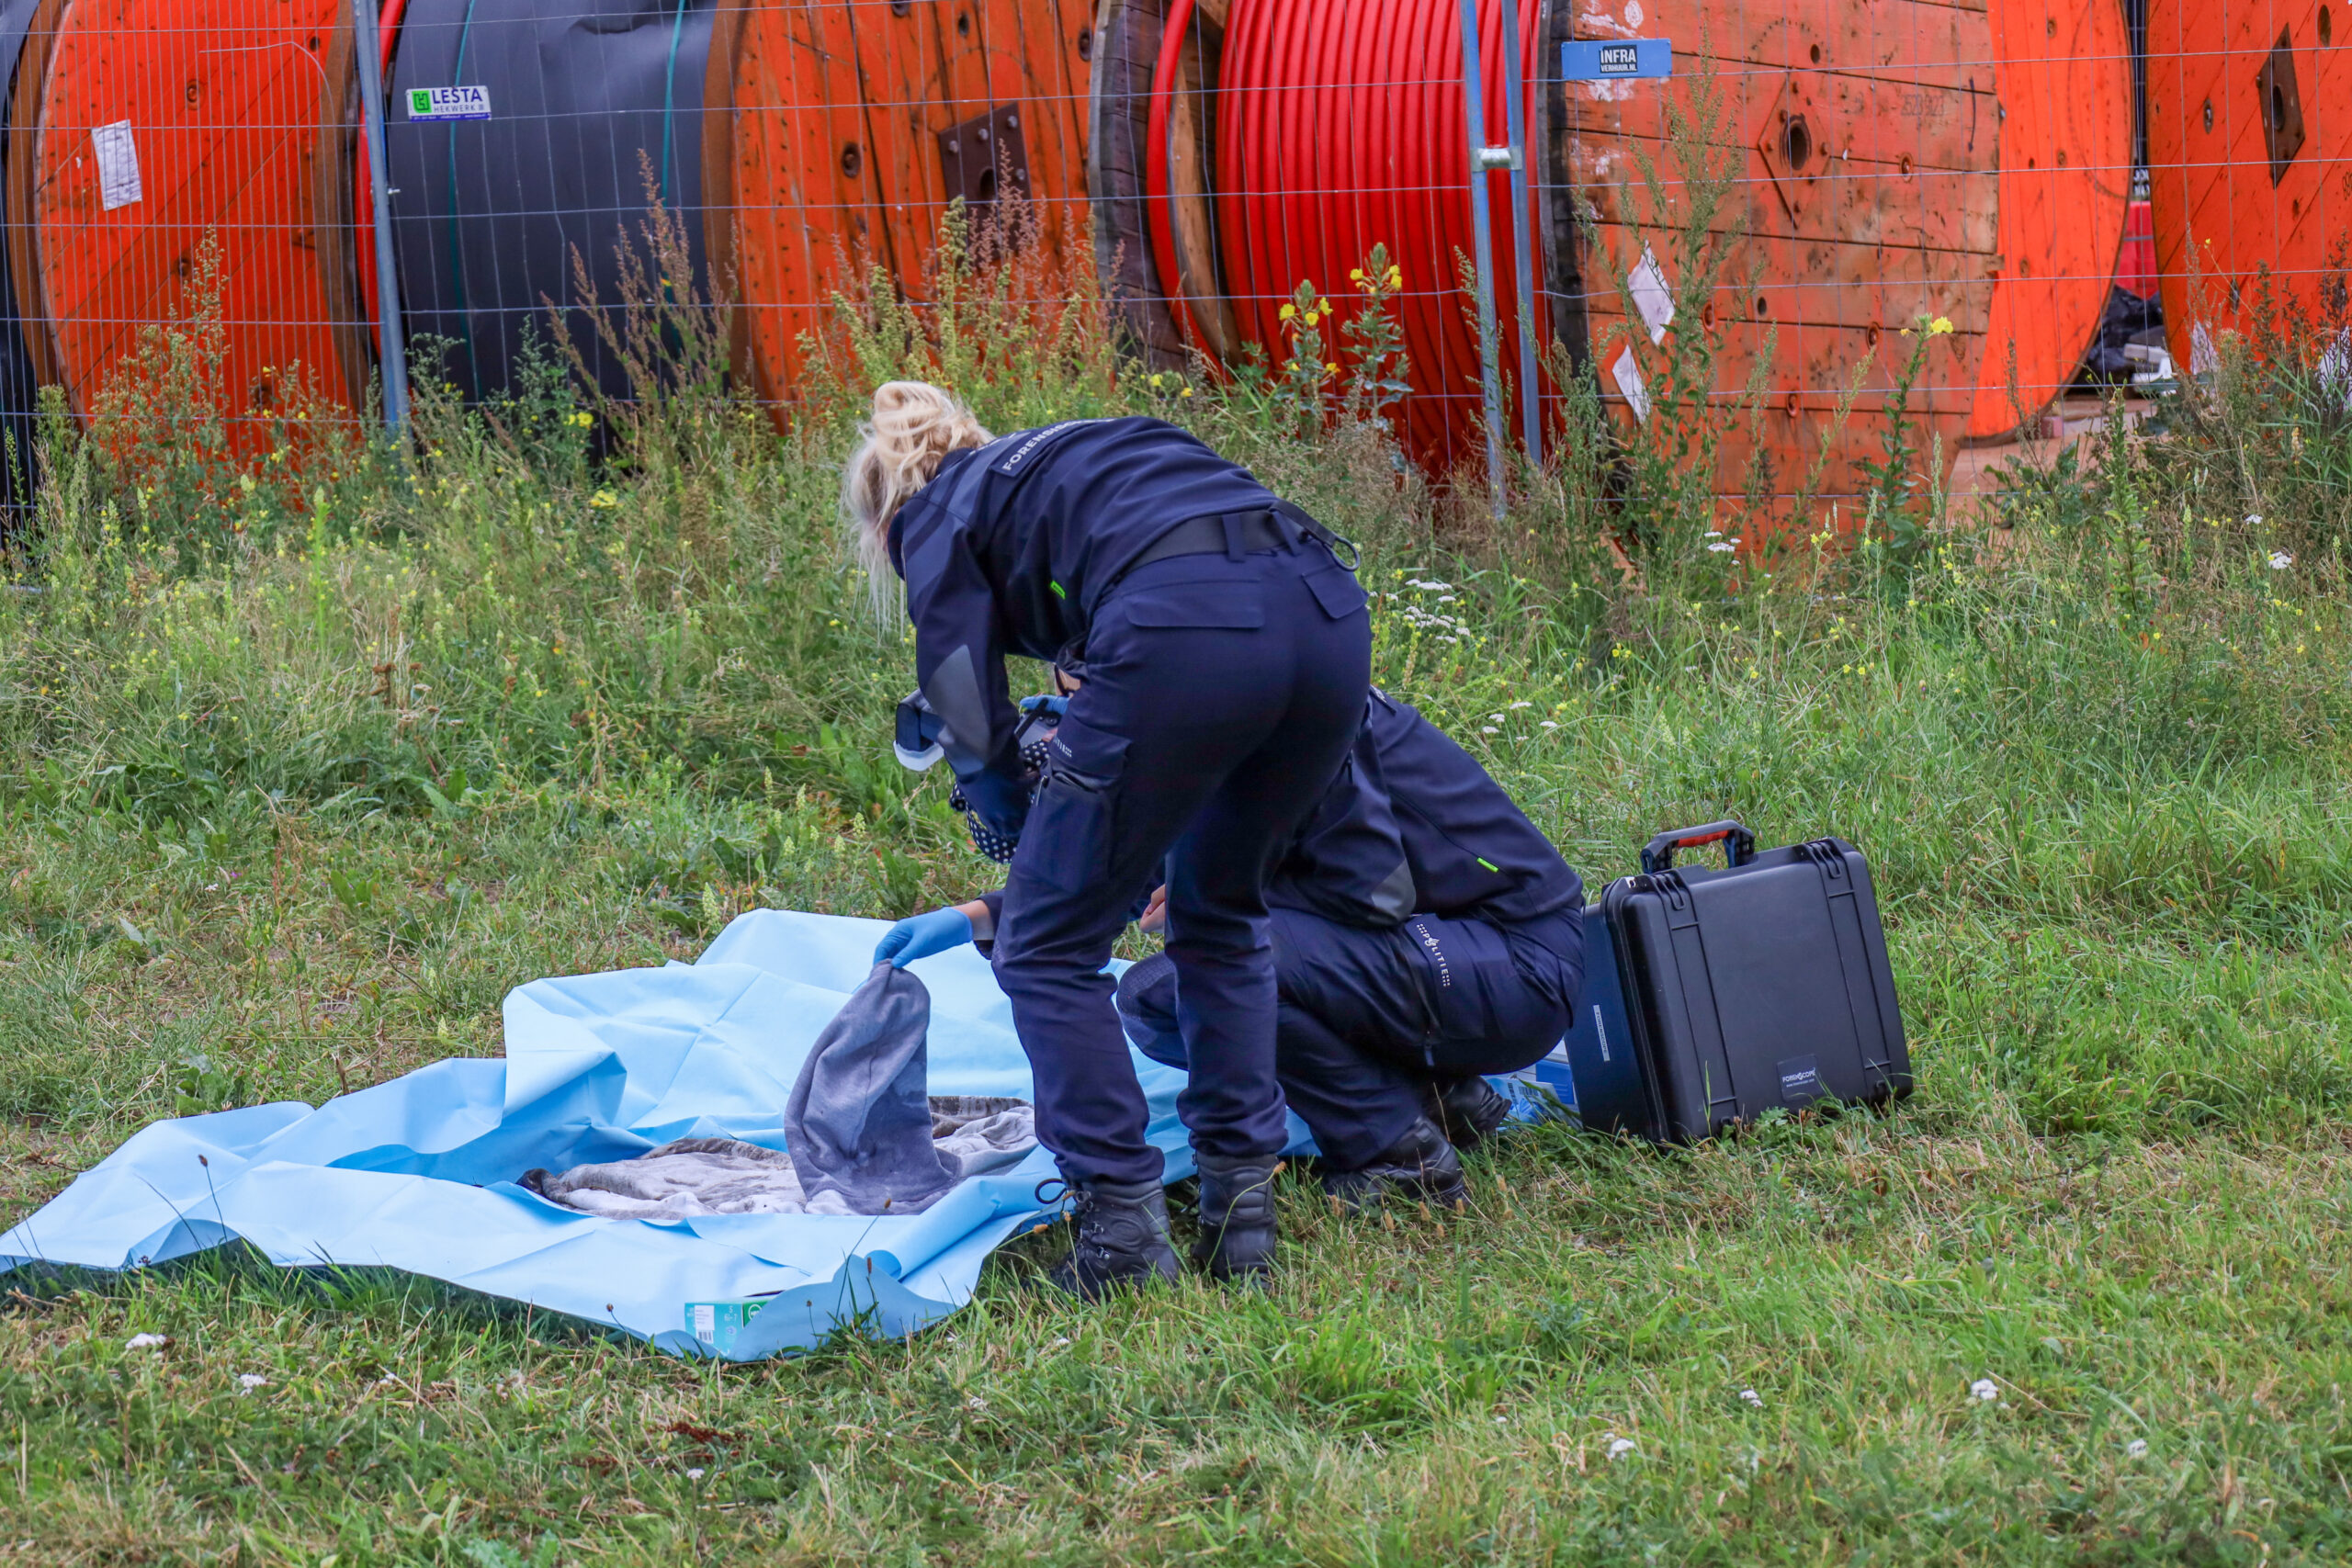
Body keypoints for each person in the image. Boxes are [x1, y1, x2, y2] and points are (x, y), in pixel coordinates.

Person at [842, 384, 1371, 1298]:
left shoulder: (932, 516)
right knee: (1222, 912)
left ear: (888, 522)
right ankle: (1242, 1218)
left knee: (1047, 948)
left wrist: (1024, 840)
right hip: (1326, 614)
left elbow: (966, 708)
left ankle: (1121, 1235)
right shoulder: (1069, 454)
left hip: (1184, 627)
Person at [882, 685, 1586, 1214]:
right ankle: (1438, 1099)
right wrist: (976, 916)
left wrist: (1205, 887)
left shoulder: (1284, 730)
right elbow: (1125, 872)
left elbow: (1373, 892)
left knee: (1210, 972)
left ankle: (1400, 1153)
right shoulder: (1202, 737)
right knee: (1156, 1000)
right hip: (1450, 960)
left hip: (1515, 961)